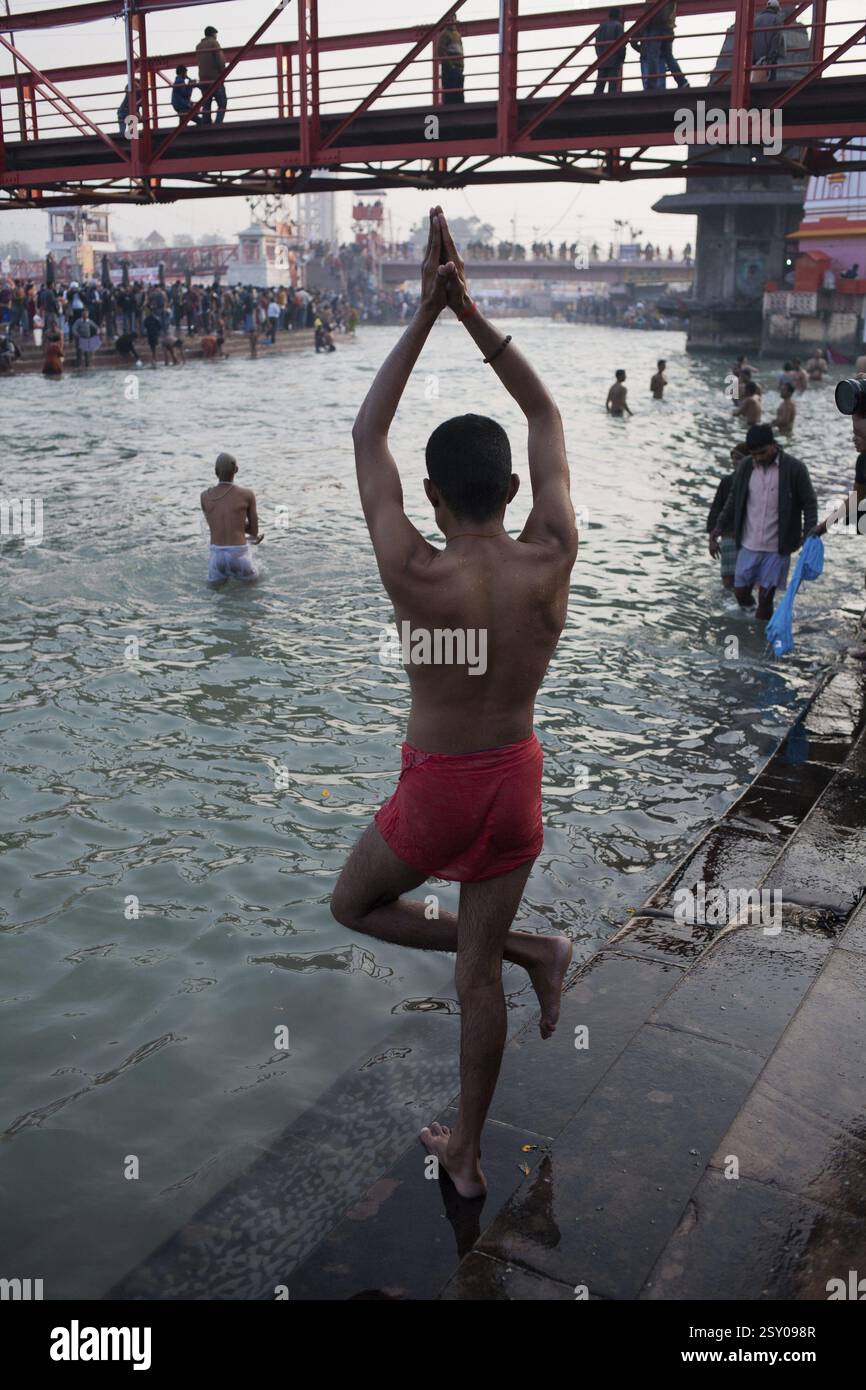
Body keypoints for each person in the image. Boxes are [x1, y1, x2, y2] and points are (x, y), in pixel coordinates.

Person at [329, 209, 576, 1200]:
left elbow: (365, 431)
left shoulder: (411, 566)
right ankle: (468, 1156)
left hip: (436, 788)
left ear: (431, 496)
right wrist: (469, 312)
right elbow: (548, 416)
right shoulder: (549, 553)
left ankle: (527, 948)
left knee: (355, 903)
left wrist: (426, 313)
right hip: (515, 779)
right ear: (511, 487)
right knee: (475, 980)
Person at [710, 422, 817, 620]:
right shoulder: (746, 466)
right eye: (754, 454)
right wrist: (717, 528)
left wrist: (809, 536)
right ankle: (750, 619)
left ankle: (760, 639)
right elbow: (734, 499)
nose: (758, 458)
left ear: (773, 445)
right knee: (740, 591)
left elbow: (809, 504)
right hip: (748, 544)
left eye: (762, 453)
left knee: (766, 599)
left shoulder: (795, 469)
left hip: (777, 548)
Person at [809, 398, 866, 658]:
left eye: (858, 434)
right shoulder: (863, 461)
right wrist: (824, 526)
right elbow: (855, 501)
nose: (853, 439)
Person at [200, 452, 262, 583]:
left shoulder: (204, 496)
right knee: (252, 590)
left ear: (215, 471)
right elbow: (253, 532)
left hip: (216, 556)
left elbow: (214, 524)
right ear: (236, 470)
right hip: (239, 554)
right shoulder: (247, 494)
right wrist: (251, 537)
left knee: (216, 597)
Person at [707, 443, 746, 589]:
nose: (735, 462)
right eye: (734, 458)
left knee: (748, 581)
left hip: (751, 538)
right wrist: (712, 539)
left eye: (739, 458)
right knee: (728, 581)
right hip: (729, 536)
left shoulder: (757, 482)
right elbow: (716, 510)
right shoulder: (727, 482)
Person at [196, 24, 228, 125]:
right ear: (213, 34)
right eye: (216, 34)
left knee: (206, 104)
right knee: (222, 103)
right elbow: (220, 61)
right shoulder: (214, 43)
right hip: (215, 79)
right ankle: (218, 124)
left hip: (203, 79)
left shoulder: (198, 46)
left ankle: (206, 125)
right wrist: (223, 72)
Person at [633, 2, 666, 90]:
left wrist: (641, 50)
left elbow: (633, 40)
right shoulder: (661, 19)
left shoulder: (641, 21)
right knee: (660, 87)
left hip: (646, 56)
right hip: (659, 56)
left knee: (648, 86)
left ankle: (649, 96)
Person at [659, 1, 689, 89]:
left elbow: (663, 17)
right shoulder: (671, 3)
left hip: (664, 30)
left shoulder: (665, 4)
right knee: (667, 57)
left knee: (665, 57)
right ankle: (682, 81)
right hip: (668, 29)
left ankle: (681, 81)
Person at [436, 13, 465, 105]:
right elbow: (440, 51)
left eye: (452, 19)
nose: (451, 21)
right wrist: (450, 65)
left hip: (458, 68)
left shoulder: (457, 35)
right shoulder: (444, 34)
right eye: (449, 20)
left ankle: (459, 107)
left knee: (458, 91)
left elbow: (460, 51)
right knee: (450, 92)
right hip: (449, 68)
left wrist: (461, 66)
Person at [594, 9, 624, 95]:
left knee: (599, 86)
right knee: (613, 86)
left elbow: (597, 44)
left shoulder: (601, 27)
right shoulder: (618, 26)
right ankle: (611, 102)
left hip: (602, 60)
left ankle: (595, 102)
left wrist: (600, 56)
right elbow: (621, 44)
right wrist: (622, 57)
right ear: (618, 15)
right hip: (614, 61)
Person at [753, 0, 783, 81]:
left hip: (756, 55)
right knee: (771, 78)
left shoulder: (756, 20)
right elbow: (776, 40)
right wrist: (772, 56)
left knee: (757, 76)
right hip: (769, 54)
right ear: (776, 9)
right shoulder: (776, 20)